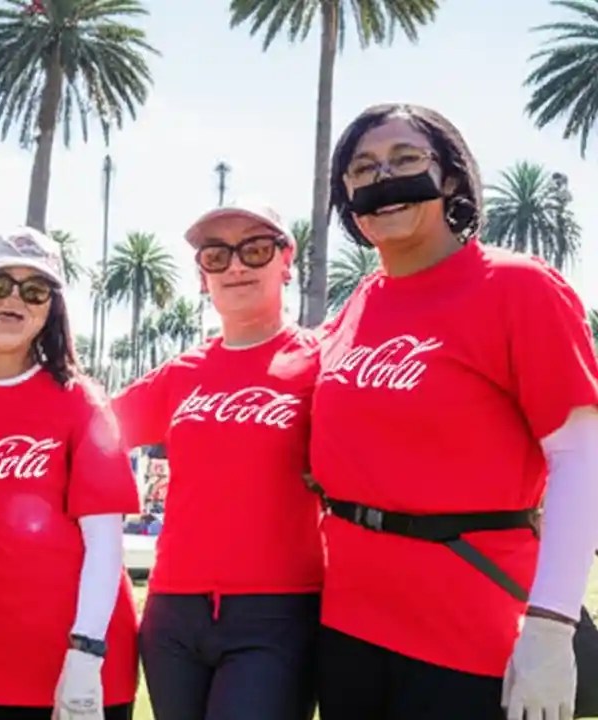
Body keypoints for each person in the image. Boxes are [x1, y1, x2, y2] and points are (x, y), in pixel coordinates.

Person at [312, 103, 598, 720]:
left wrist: (550, 628)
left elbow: (580, 458)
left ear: (450, 178)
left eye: (407, 159)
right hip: (347, 628)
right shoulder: (354, 307)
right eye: (363, 169)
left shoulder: (518, 287)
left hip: (471, 634)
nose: (384, 179)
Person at [0, 228, 142, 720]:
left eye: (34, 290)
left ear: (49, 309)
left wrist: (86, 654)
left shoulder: (80, 400)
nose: (14, 299)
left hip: (88, 657)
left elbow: (104, 544)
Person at [110, 202, 322, 720]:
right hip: (173, 614)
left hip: (277, 612)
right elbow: (87, 432)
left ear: (286, 261)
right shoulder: (180, 374)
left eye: (254, 249)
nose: (235, 267)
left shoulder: (320, 361)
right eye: (216, 255)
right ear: (203, 276)